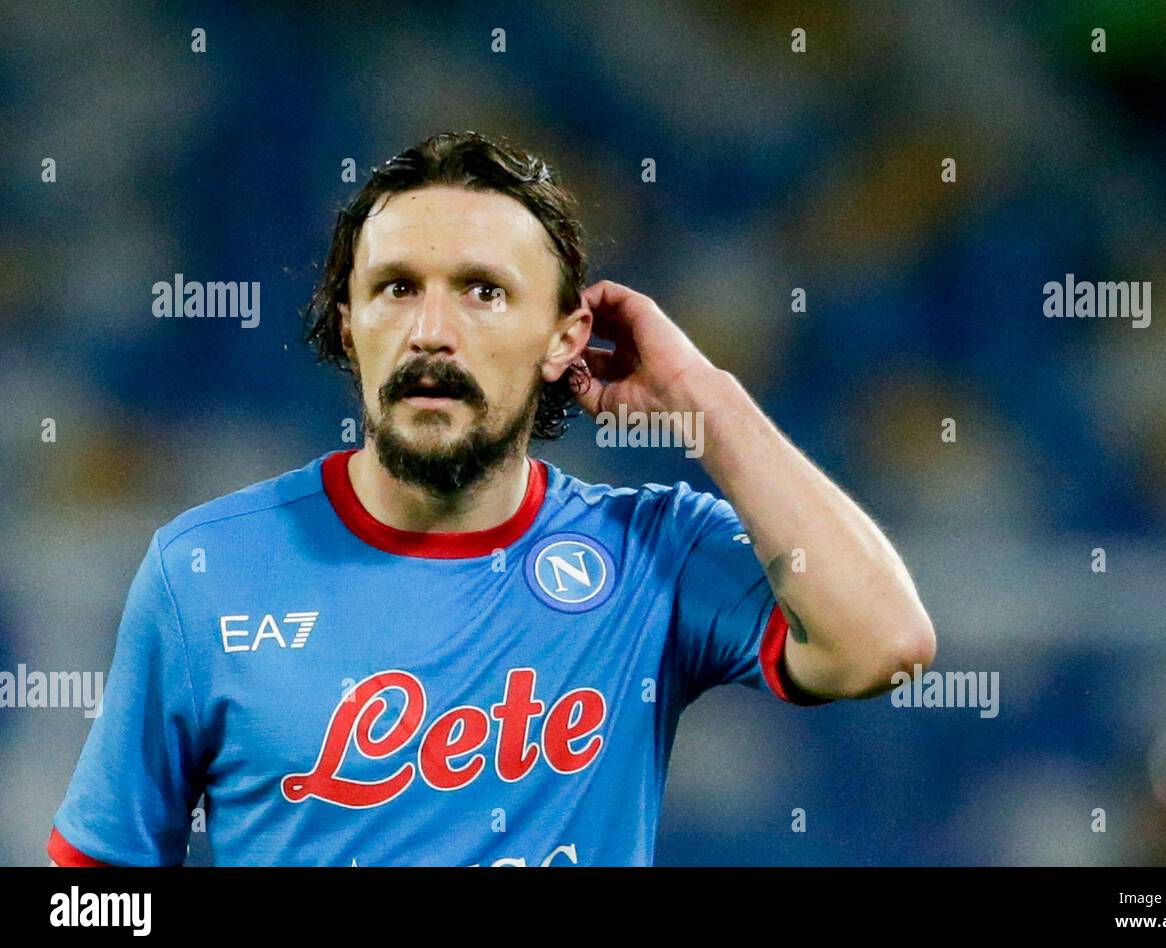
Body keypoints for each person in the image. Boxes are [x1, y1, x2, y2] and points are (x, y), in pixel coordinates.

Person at [48, 131, 935, 866]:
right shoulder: (205, 568)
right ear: (348, 323)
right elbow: (94, 886)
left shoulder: (652, 553)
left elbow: (882, 646)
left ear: (566, 338)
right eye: (396, 288)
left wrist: (710, 402)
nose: (432, 331)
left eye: (483, 291)